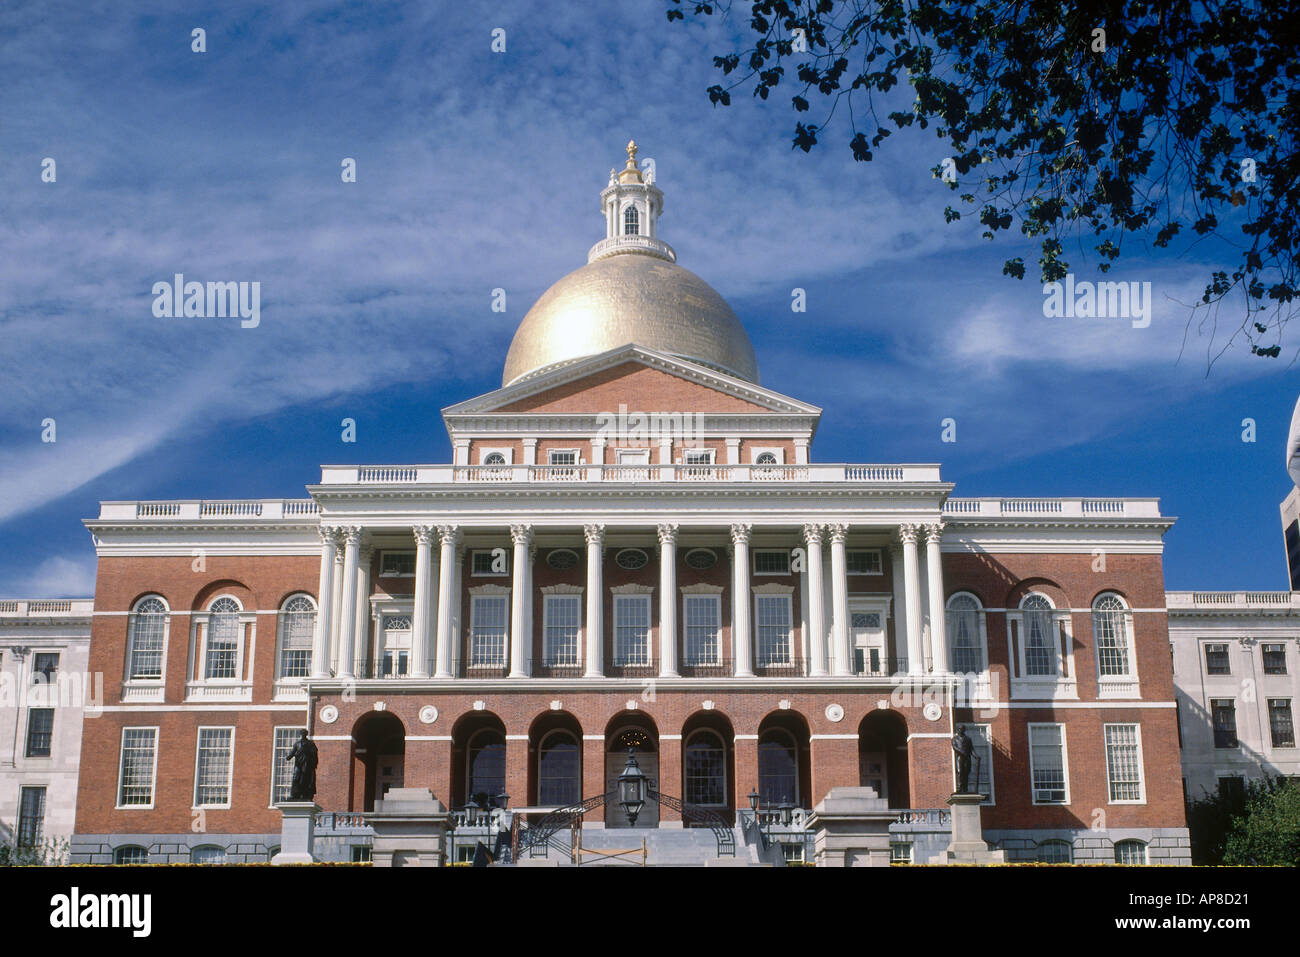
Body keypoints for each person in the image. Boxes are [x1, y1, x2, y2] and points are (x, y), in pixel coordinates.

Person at [286, 730, 318, 801]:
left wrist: (314, 764)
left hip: (308, 765)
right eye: (302, 734)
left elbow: (315, 755)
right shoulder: (297, 744)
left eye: (304, 734)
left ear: (306, 734)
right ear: (301, 734)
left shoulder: (311, 744)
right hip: (299, 765)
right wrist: (288, 757)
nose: (303, 735)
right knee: (296, 779)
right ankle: (295, 795)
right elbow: (292, 752)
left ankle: (305, 795)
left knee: (306, 780)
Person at [951, 725, 974, 794]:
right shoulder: (954, 739)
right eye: (959, 729)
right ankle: (960, 788)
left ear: (964, 730)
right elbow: (955, 747)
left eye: (962, 729)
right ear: (957, 730)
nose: (961, 730)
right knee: (960, 773)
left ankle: (965, 789)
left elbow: (971, 749)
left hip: (967, 758)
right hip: (960, 758)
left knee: (966, 773)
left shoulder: (968, 739)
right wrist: (962, 752)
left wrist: (976, 756)